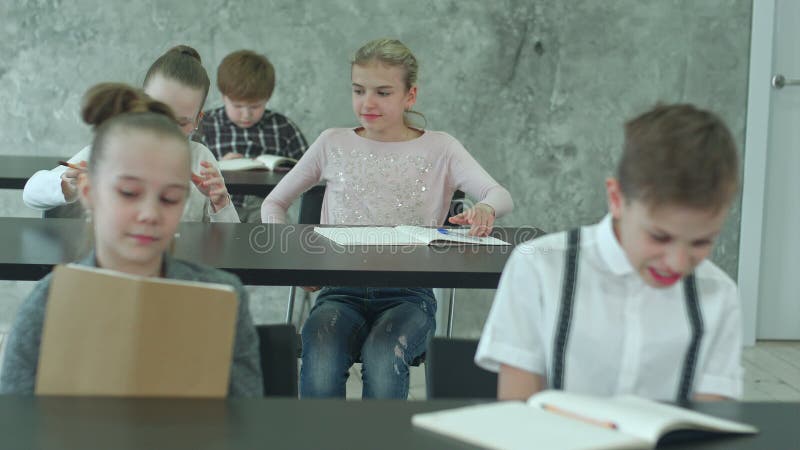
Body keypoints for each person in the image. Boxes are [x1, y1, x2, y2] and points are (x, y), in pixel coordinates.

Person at [261, 38, 513, 399]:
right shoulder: (332, 143)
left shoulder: (441, 148)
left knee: (383, 354)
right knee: (320, 353)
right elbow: (274, 204)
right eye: (359, 90)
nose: (367, 103)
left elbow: (500, 195)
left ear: (410, 96)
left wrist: (486, 208)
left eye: (382, 92)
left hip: (410, 297)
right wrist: (294, 259)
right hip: (338, 292)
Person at [1, 83, 262, 397]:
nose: (150, 213)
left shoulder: (223, 299)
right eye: (128, 193)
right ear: (88, 192)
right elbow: (17, 427)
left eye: (169, 198)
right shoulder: (50, 303)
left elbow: (245, 424)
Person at [475, 103, 743, 402]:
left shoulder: (720, 294)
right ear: (616, 199)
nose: (677, 263)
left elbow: (710, 422)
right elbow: (517, 413)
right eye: (659, 236)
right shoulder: (539, 268)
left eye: (701, 243)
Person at [22, 45, 238, 223]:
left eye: (180, 122)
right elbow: (31, 193)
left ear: (197, 121)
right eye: (158, 112)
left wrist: (221, 204)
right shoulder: (111, 149)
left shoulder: (201, 160)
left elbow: (230, 242)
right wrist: (66, 185)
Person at [200, 49, 308, 222]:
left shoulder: (282, 127)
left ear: (267, 98)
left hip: (265, 204)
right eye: (237, 106)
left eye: (255, 107)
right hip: (216, 206)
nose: (246, 114)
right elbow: (185, 171)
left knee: (278, 235)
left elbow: (309, 169)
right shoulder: (206, 124)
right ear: (223, 96)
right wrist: (218, 165)